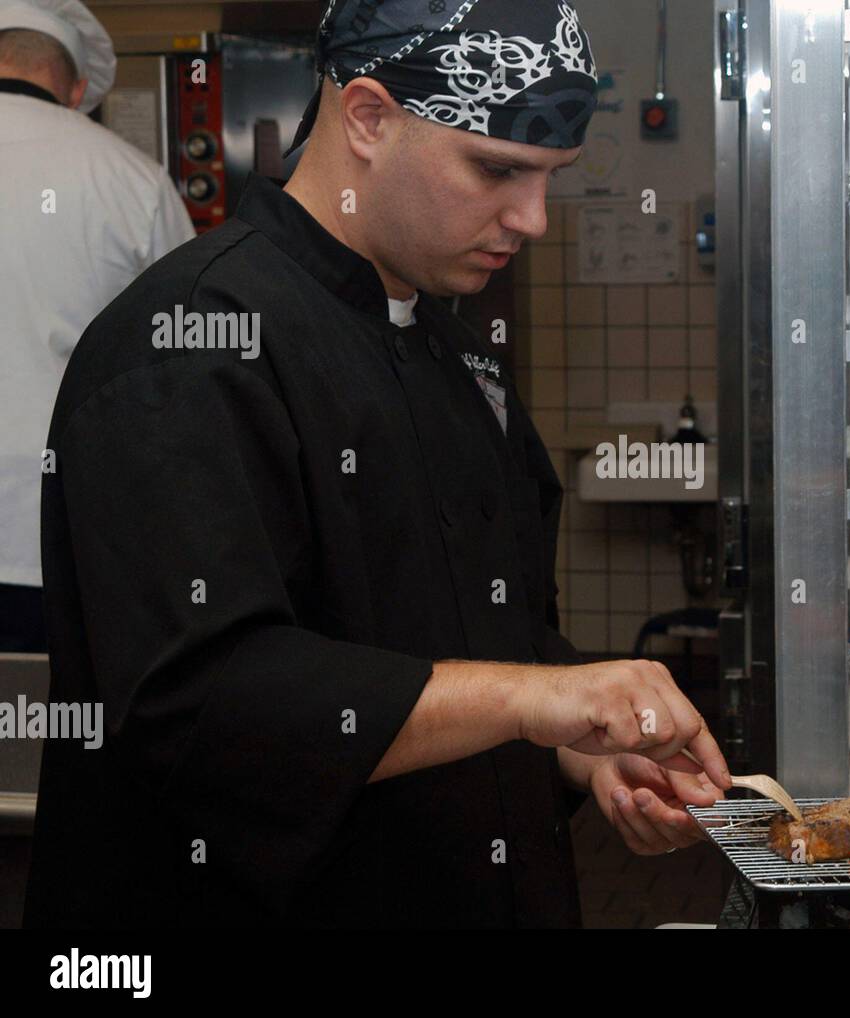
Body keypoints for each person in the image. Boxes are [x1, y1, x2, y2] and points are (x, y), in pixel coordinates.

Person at [24, 0, 731, 929]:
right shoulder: (188, 347)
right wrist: (533, 699)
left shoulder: (456, 348)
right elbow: (205, 706)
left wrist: (584, 747)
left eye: (550, 178)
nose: (534, 219)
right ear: (367, 117)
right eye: (498, 170)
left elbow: (491, 629)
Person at [0, 0, 194, 651]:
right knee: (47, 737)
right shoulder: (135, 181)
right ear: (77, 88)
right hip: (65, 534)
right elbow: (186, 368)